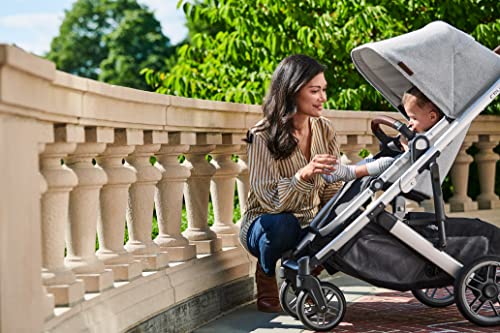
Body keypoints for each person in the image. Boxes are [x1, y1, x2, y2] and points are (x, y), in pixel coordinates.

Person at [239, 55, 343, 313]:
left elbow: (332, 187)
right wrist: (302, 176)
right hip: (265, 223)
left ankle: (304, 278)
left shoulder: (325, 129)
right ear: (293, 91)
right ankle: (265, 273)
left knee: (350, 225)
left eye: (324, 90)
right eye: (315, 91)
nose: (323, 98)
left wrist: (339, 220)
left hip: (310, 221)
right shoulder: (262, 135)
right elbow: (268, 200)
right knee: (283, 225)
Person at [322, 86, 444, 183]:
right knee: (373, 159)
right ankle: (342, 173)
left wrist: (405, 144)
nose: (410, 123)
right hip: (400, 168)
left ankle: (349, 173)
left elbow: (414, 162)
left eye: (413, 118)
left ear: (432, 116)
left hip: (410, 175)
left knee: (387, 162)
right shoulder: (422, 133)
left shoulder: (433, 138)